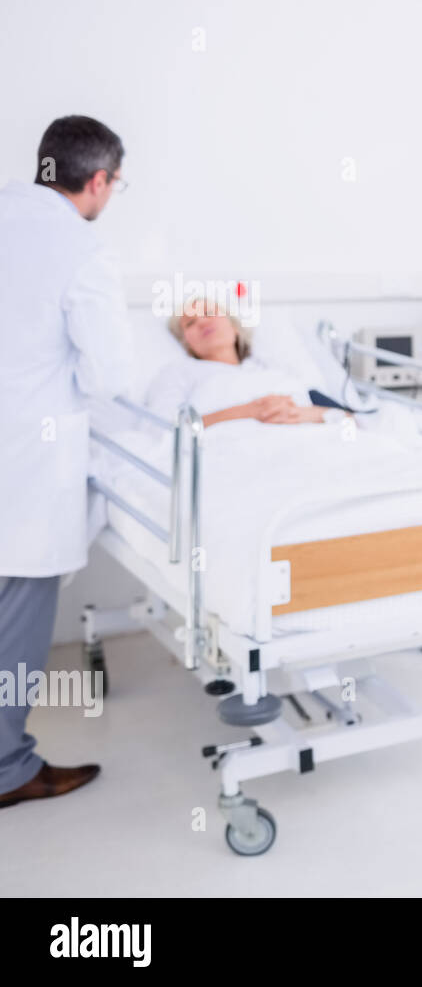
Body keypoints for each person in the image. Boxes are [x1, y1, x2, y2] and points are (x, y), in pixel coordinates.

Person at [0, 116, 131, 809]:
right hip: (25, 466)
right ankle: (8, 771)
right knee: (15, 626)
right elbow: (111, 375)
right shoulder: (81, 250)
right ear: (100, 180)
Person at [147, 298, 344, 427]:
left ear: (234, 327)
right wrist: (248, 412)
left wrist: (302, 414)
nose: (202, 322)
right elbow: (164, 427)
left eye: (209, 313)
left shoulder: (271, 369)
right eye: (190, 323)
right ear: (186, 343)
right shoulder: (180, 373)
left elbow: (350, 419)